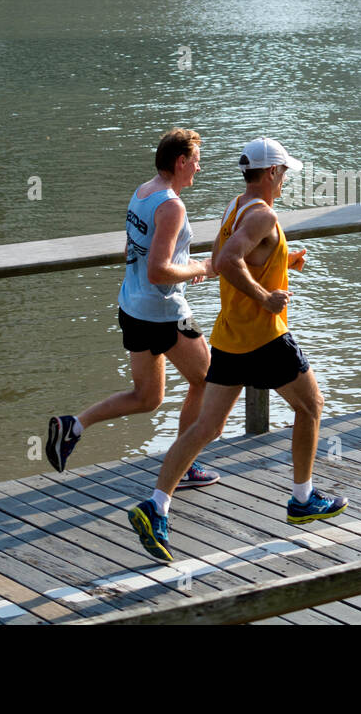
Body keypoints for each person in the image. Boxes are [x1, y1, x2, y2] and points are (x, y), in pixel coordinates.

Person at [128, 138, 348, 563]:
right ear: (270, 173)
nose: (285, 180)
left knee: (206, 428)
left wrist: (285, 261)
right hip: (265, 338)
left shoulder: (237, 207)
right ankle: (302, 499)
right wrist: (267, 296)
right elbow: (228, 260)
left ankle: (155, 506)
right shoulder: (264, 214)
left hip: (229, 337)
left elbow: (234, 254)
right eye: (282, 173)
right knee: (311, 407)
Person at [45, 128, 221, 491]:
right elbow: (159, 271)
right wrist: (200, 267)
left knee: (147, 397)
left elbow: (140, 251)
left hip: (133, 306)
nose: (199, 170)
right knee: (207, 378)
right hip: (165, 313)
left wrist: (182, 265)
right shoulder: (172, 205)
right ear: (181, 161)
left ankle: (73, 426)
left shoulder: (143, 192)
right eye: (197, 162)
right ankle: (184, 465)